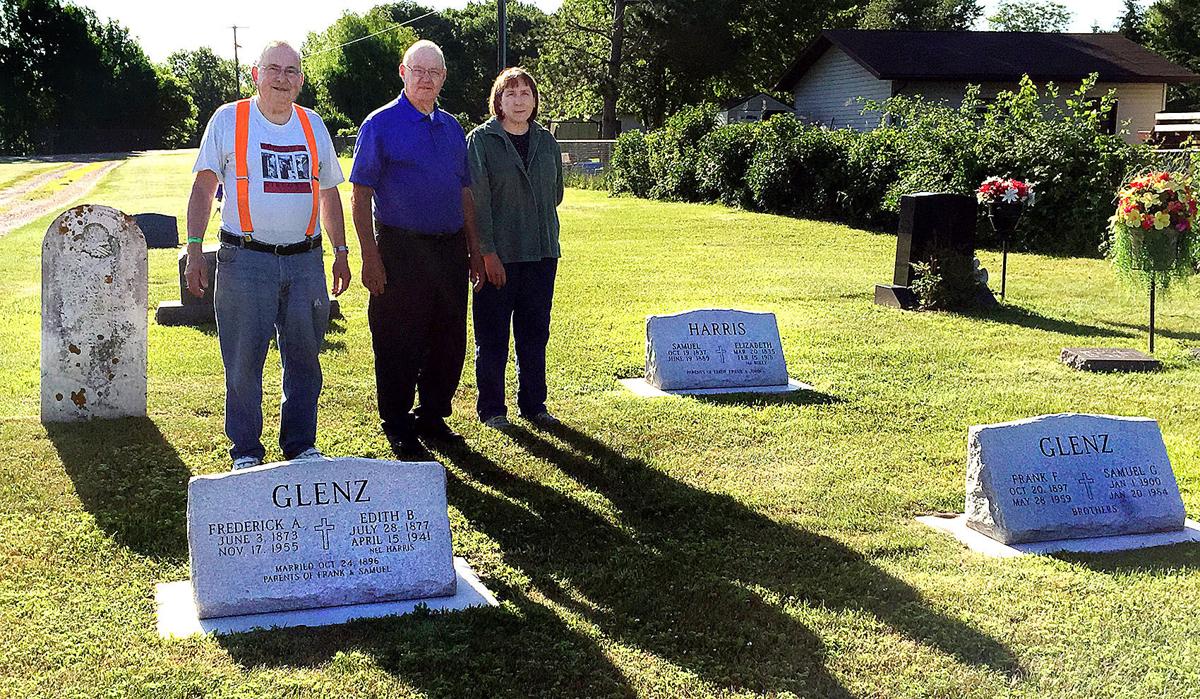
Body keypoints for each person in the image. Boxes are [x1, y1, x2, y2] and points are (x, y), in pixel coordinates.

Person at [184, 40, 351, 470]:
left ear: (300, 79)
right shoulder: (229, 120)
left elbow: (329, 192)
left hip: (305, 260)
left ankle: (300, 445)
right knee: (243, 362)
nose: (282, 78)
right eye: (273, 69)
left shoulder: (313, 125)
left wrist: (341, 250)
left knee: (305, 360)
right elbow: (203, 188)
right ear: (256, 75)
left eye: (292, 71)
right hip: (245, 260)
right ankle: (245, 451)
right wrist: (195, 249)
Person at [350, 40, 484, 457]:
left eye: (435, 73)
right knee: (398, 339)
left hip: (448, 250)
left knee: (447, 338)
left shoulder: (452, 128)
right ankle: (397, 421)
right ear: (403, 72)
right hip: (399, 249)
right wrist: (370, 256)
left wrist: (474, 251)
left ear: (443, 78)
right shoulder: (380, 124)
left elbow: (464, 193)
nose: (427, 79)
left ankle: (432, 416)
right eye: (419, 70)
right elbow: (360, 194)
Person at [466, 68, 564, 429]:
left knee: (535, 333)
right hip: (499, 257)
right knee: (492, 337)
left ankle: (534, 404)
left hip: (540, 254)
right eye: (511, 94)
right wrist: (487, 253)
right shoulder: (481, 141)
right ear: (498, 101)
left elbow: (555, 194)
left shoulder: (547, 141)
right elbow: (476, 202)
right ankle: (492, 409)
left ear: (534, 100)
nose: (519, 100)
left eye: (526, 93)